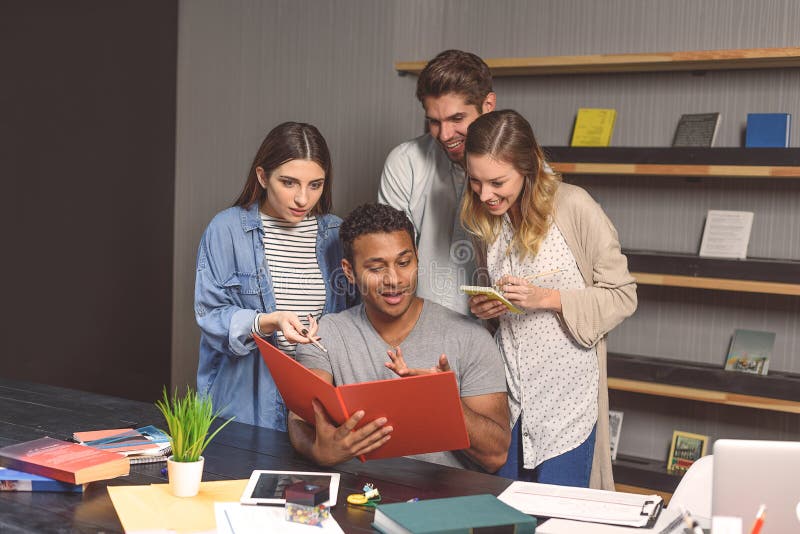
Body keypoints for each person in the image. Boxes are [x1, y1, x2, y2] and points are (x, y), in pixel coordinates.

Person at [462, 110, 637, 489]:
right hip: (507, 403)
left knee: (560, 520)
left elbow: (623, 296)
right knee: (501, 518)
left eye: (497, 182)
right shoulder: (488, 220)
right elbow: (504, 316)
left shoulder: (574, 207)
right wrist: (487, 309)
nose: (485, 194)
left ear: (529, 167)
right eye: (475, 182)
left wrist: (549, 298)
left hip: (567, 407)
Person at [289, 203, 510, 472]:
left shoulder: (470, 337)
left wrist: (443, 402)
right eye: (376, 268)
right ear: (349, 271)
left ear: (417, 258)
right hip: (357, 498)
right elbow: (300, 418)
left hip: (445, 502)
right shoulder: (326, 334)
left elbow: (495, 456)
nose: (394, 279)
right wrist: (317, 451)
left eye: (404, 263)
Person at [195, 122, 353, 431]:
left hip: (314, 403)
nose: (303, 199)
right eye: (289, 183)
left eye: (315, 185)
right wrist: (270, 321)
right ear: (263, 176)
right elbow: (210, 315)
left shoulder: (337, 233)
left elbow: (357, 318)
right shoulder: (226, 230)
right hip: (244, 404)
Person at [379, 50, 496, 316]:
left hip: (499, 334)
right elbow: (388, 257)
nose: (444, 135)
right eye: (434, 121)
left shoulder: (523, 169)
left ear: (488, 105)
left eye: (457, 119)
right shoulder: (404, 162)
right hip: (417, 326)